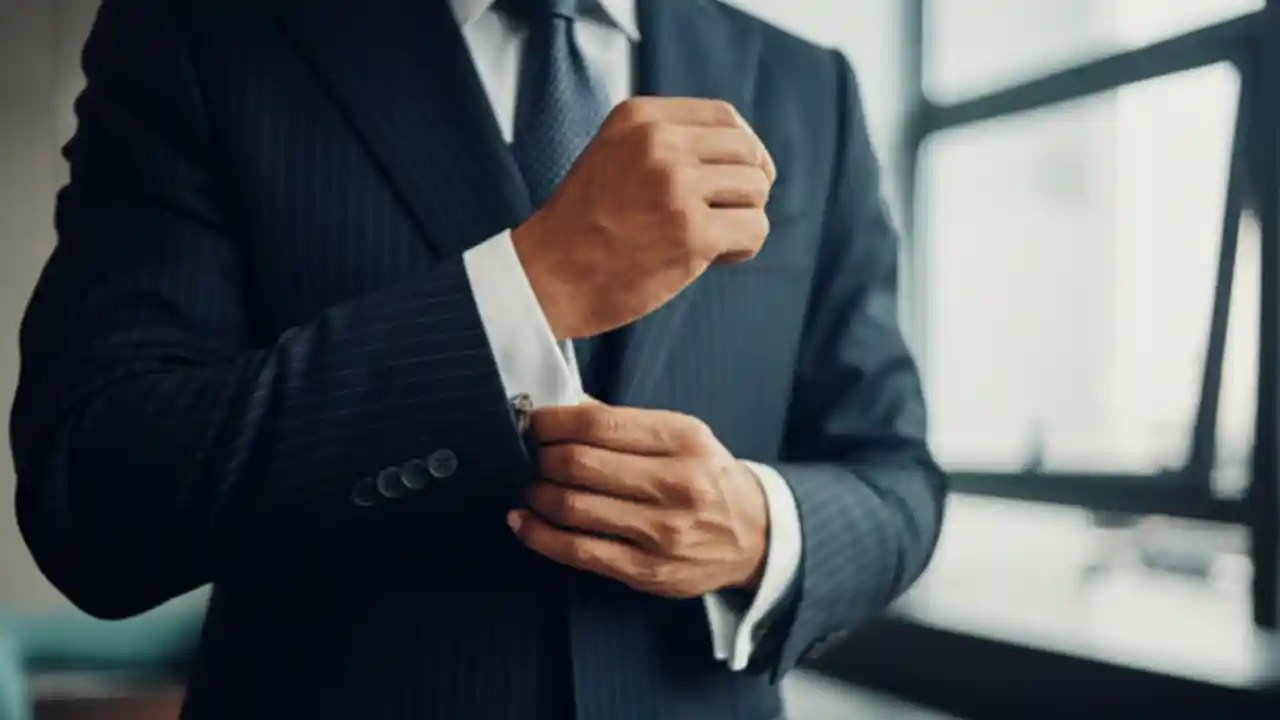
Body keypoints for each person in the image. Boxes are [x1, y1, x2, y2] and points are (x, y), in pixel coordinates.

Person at [9, 0, 946, 718]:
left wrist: (756, 526)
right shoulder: (206, 35)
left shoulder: (807, 88)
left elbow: (896, 481)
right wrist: (524, 290)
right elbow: (95, 498)